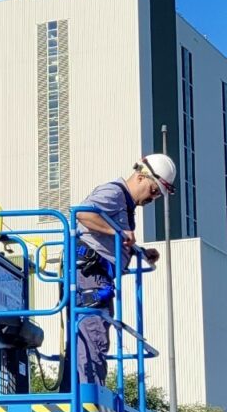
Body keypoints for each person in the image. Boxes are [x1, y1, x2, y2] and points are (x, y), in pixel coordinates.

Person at [69, 154, 172, 389]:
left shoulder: (125, 205)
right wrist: (117, 232)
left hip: (100, 278)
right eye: (154, 191)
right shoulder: (114, 193)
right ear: (140, 177)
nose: (152, 198)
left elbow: (114, 238)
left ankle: (89, 389)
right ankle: (89, 395)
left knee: (95, 336)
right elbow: (83, 213)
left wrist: (140, 252)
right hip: (89, 275)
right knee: (92, 334)